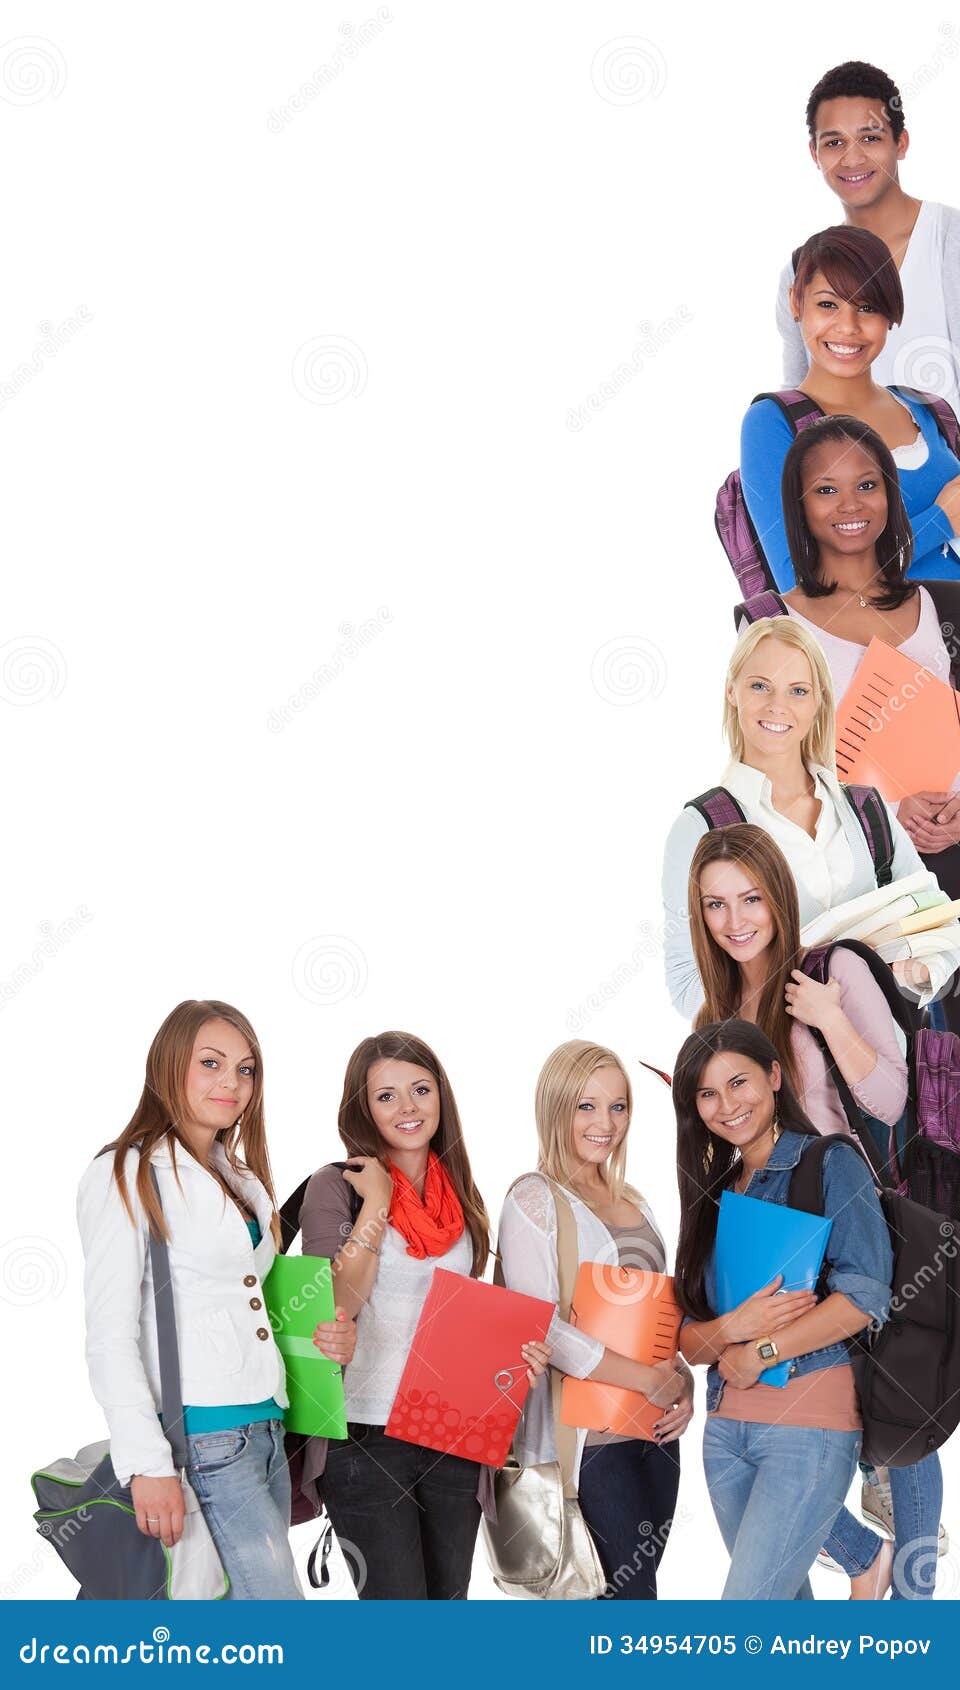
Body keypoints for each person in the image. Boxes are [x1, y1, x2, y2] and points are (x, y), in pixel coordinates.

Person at [688, 824, 944, 1598]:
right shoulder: (717, 1010)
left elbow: (893, 1100)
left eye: (752, 898)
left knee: (894, 1425)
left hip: (851, 1212)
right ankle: (859, 1554)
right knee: (767, 1407)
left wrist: (830, 1018)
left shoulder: (832, 970)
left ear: (780, 895)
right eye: (715, 906)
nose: (736, 921)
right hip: (772, 1231)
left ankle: (911, 1614)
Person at [76, 999, 350, 1600]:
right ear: (169, 1065)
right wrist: (147, 1463)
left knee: (232, 1620)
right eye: (212, 1063)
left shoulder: (236, 1175)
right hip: (201, 1438)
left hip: (266, 1426)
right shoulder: (126, 1172)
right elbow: (109, 1333)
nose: (232, 1082)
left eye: (246, 1069)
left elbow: (252, 1300)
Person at [298, 1030, 550, 1600]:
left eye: (420, 1089)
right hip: (364, 1435)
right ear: (362, 1107)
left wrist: (515, 1356)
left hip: (451, 1429)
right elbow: (336, 1302)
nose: (407, 1107)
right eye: (386, 1096)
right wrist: (379, 1203)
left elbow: (462, 1316)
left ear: (442, 1096)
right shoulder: (335, 1187)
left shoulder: (458, 1193)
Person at [736, 420, 960, 1031]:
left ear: (890, 493)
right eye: (825, 491)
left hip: (956, 868)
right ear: (797, 506)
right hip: (858, 893)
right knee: (892, 1074)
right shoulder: (767, 625)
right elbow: (768, 778)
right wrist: (887, 809)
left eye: (867, 484)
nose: (851, 505)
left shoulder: (949, 605)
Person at [673, 1020, 894, 1601]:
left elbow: (865, 1294)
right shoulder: (714, 1192)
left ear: (774, 1076)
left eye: (739, 1082)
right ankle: (864, 1565)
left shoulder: (827, 1162)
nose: (727, 1105)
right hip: (723, 1434)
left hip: (807, 1424)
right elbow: (690, 1341)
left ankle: (868, 1563)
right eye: (707, 1094)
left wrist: (760, 1351)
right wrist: (733, 1327)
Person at [661, 616, 960, 1021]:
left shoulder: (865, 810)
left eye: (797, 690)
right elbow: (686, 982)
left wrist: (912, 973)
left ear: (819, 699)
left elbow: (938, 923)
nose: (777, 706)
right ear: (732, 691)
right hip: (787, 1072)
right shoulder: (703, 828)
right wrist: (797, 1013)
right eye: (759, 686)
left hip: (891, 1066)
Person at [498, 1040, 693, 1600]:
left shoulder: (634, 1199)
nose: (606, 1122)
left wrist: (681, 1384)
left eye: (618, 1105)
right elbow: (538, 1325)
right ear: (555, 1108)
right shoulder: (535, 1198)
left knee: (636, 1594)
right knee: (624, 1603)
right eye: (586, 1105)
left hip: (655, 1432)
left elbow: (658, 1315)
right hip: (589, 1443)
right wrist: (645, 1378)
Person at [746, 224, 960, 585]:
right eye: (827, 304)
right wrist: (941, 518)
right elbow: (803, 582)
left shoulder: (927, 409)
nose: (847, 327)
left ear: (891, 313)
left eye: (867, 306)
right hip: (888, 642)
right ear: (796, 302)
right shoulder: (775, 423)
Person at [777, 61, 960, 418]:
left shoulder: (949, 241)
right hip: (853, 472)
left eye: (870, 137)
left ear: (901, 143)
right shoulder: (802, 269)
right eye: (834, 142)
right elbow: (799, 403)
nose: (853, 157)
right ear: (815, 154)